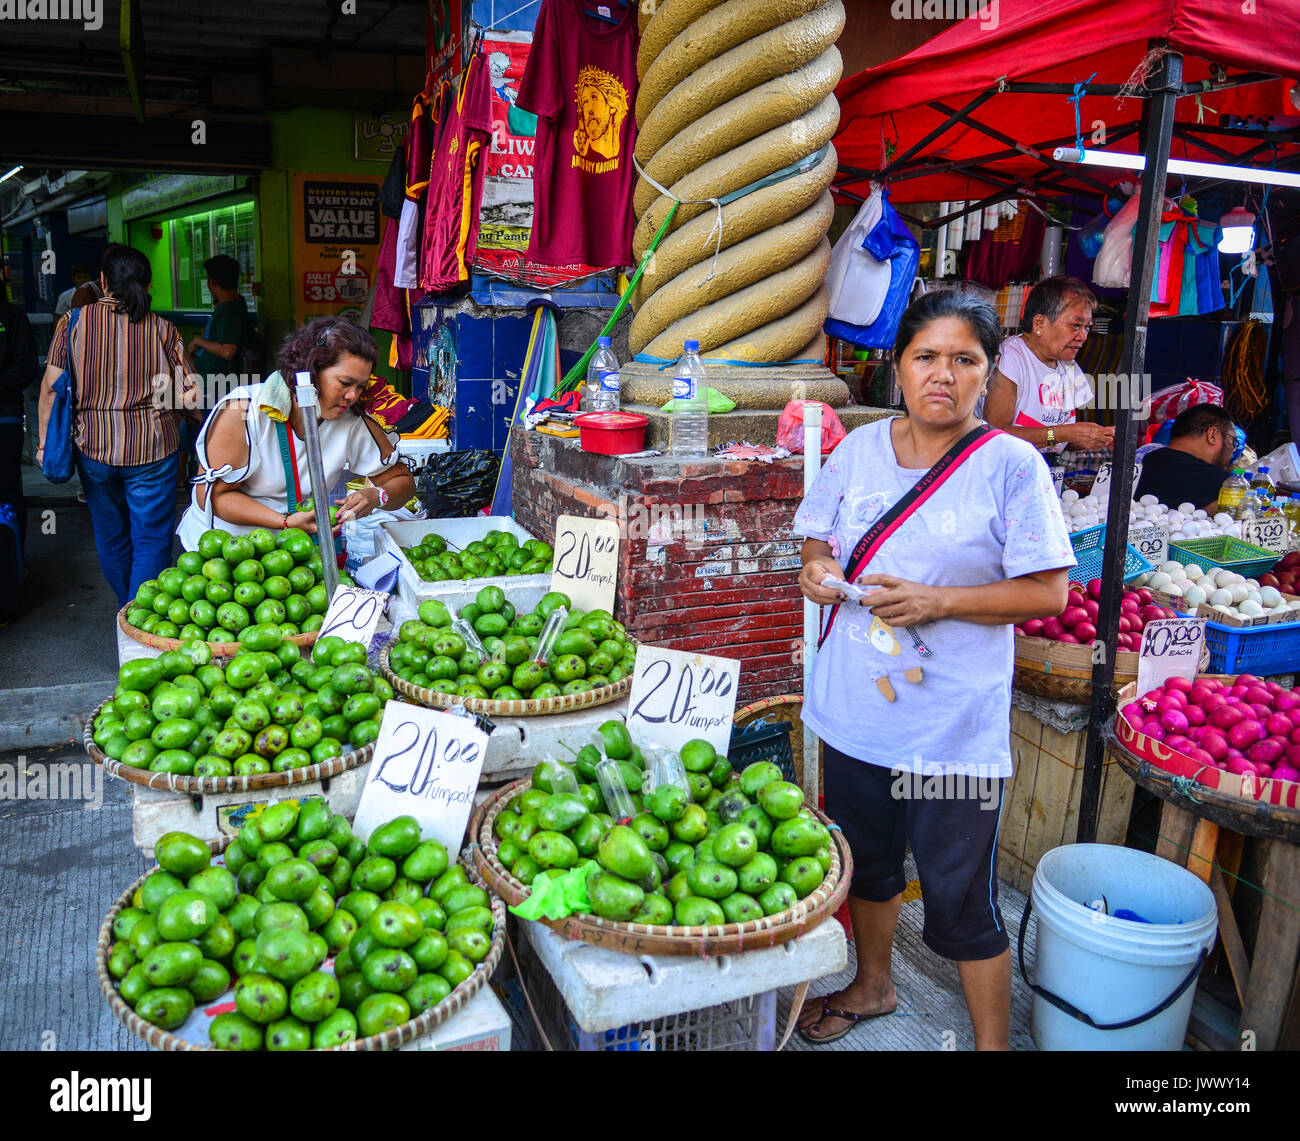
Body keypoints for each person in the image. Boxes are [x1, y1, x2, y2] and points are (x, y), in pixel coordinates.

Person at [792, 290, 1074, 1050]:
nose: (942, 374)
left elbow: (1049, 590)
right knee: (871, 866)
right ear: (899, 365)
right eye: (926, 356)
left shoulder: (1012, 466)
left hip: (951, 727)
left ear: (988, 371)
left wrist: (938, 599)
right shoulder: (857, 450)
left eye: (964, 359)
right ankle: (874, 983)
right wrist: (817, 572)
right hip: (856, 709)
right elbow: (815, 543)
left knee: (960, 899)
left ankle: (992, 1045)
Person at [36, 244, 198, 606]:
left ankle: (128, 613)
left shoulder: (73, 322)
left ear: (103, 280)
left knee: (112, 537)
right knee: (152, 539)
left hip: (93, 449)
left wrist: (45, 443)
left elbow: (50, 388)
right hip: (153, 450)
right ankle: (139, 620)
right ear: (148, 283)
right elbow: (190, 397)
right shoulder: (164, 329)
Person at [176, 316, 416, 550]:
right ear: (310, 371)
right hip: (224, 553)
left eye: (360, 386)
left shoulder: (350, 420)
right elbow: (214, 497)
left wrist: (377, 496)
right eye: (344, 382)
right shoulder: (243, 411)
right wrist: (285, 522)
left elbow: (403, 482)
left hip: (293, 555)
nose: (353, 395)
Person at [983, 275, 1114, 455]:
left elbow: (1061, 442)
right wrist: (1063, 433)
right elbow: (995, 436)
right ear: (1039, 323)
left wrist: (1097, 437)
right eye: (1076, 325)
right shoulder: (1011, 358)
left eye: (1087, 327)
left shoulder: (1068, 366)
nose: (1083, 336)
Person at [1134, 403, 1236, 513]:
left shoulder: (1146, 460)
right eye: (1232, 442)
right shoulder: (1222, 483)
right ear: (1212, 435)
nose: (1232, 449)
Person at [0, 279, 39, 546]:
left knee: (7, 489)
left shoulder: (12, 316)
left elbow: (27, 367)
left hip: (4, 417)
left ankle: (14, 560)